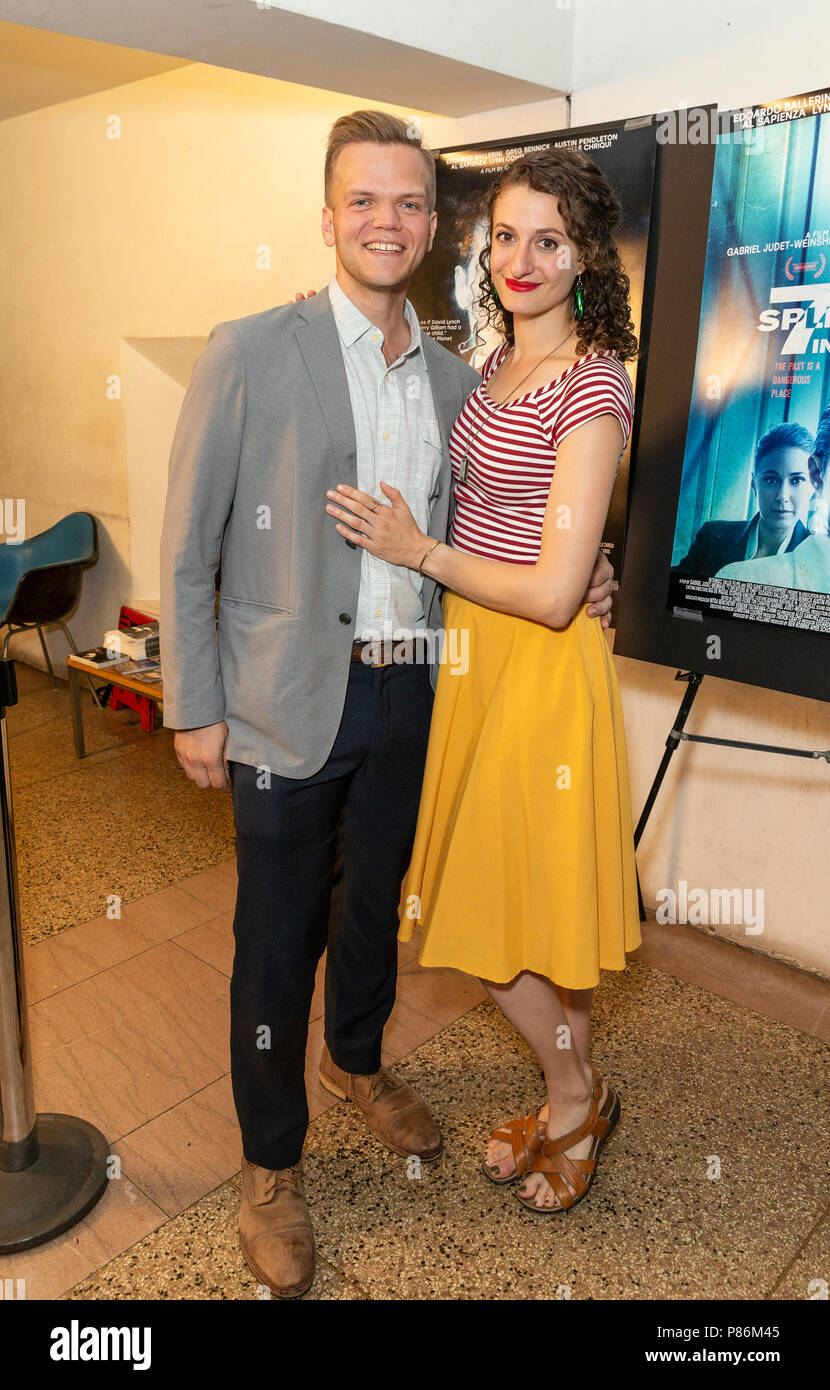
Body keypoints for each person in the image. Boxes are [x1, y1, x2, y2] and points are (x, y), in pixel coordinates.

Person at [159, 112, 616, 1296]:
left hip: (425, 689)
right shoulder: (250, 350)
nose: (386, 221)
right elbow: (189, 539)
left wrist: (590, 569)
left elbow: (502, 530)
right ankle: (270, 1166)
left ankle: (356, 1063)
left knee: (377, 916)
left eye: (409, 203)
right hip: (282, 700)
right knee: (274, 940)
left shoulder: (467, 375)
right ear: (327, 216)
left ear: (430, 228)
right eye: (363, 200)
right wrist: (191, 704)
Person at [324, 145, 643, 1214]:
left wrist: (421, 554)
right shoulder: (493, 361)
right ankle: (574, 1096)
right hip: (468, 652)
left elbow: (555, 591)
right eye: (503, 235)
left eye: (547, 239)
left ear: (587, 256)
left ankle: (571, 1092)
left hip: (535, 667)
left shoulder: (593, 383)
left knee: (474, 916)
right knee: (527, 907)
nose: (519, 257)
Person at [673, 423, 815, 577]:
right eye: (771, 480)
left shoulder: (820, 558)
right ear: (754, 484)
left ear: (814, 485)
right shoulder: (712, 537)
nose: (782, 497)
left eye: (796, 481)